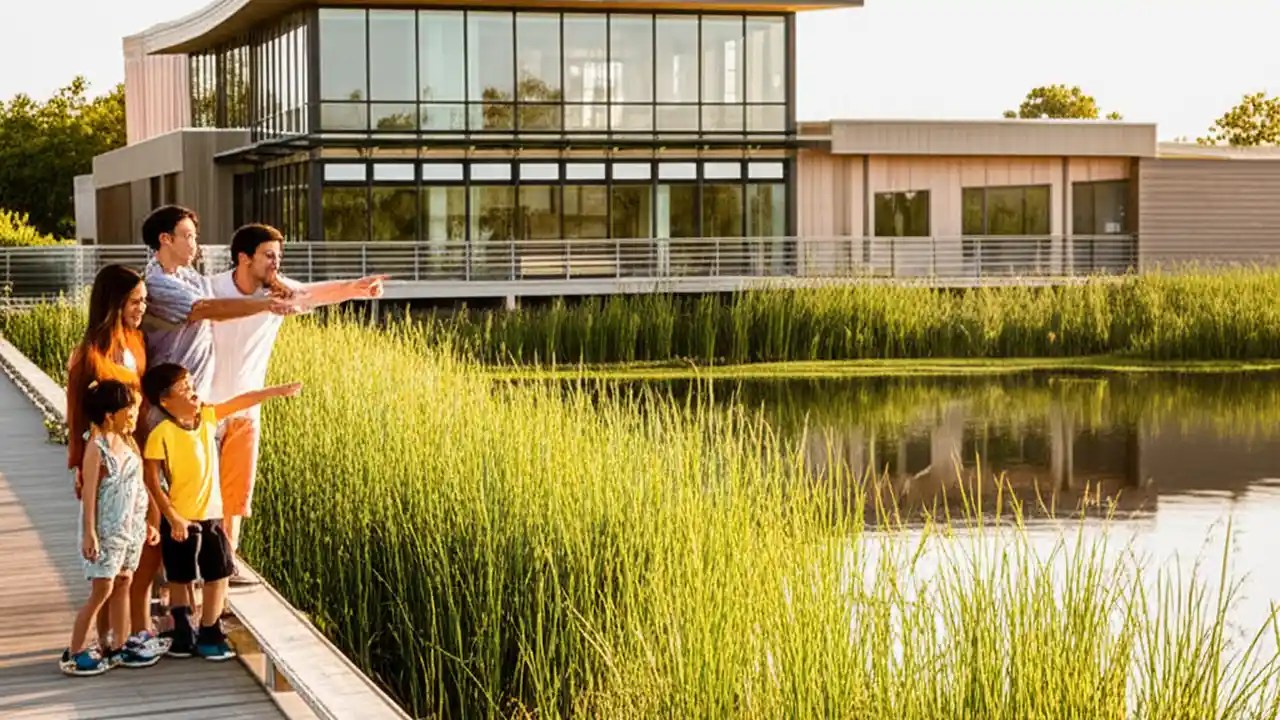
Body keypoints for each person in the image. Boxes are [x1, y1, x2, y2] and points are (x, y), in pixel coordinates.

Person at [136, 205, 295, 642]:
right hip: (168, 410)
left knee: (193, 504)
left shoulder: (188, 274)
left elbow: (226, 287)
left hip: (193, 411)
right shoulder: (159, 283)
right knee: (168, 509)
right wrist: (262, 303)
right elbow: (207, 308)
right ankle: (169, 613)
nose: (196, 243)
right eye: (187, 235)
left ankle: (180, 606)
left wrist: (273, 285)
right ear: (165, 240)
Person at [209, 223, 385, 584]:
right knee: (202, 491)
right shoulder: (214, 288)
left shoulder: (281, 292)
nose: (275, 263)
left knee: (236, 493)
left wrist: (354, 288)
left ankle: (228, 560)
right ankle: (195, 564)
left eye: (278, 256)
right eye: (268, 256)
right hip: (207, 407)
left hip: (247, 408)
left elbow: (316, 293)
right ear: (244, 258)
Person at [140, 363, 302, 659]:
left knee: (219, 572)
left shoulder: (209, 419)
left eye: (191, 385)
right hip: (180, 517)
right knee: (180, 576)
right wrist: (171, 515)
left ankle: (209, 630)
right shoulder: (161, 433)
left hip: (211, 514)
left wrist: (275, 392)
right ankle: (182, 632)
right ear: (165, 401)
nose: (192, 392)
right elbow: (151, 478)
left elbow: (242, 400)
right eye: (184, 389)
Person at [63, 264, 169, 654]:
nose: (142, 307)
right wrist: (79, 464)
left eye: (144, 300)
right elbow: (76, 413)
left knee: (141, 542)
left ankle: (131, 632)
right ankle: (107, 639)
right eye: (135, 301)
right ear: (114, 303)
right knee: (110, 553)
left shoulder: (138, 341)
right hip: (107, 457)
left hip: (140, 450)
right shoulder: (89, 354)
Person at [61, 380, 162, 676]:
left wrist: (149, 521)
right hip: (106, 531)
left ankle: (119, 644)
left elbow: (139, 486)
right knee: (101, 590)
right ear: (109, 415)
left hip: (130, 530)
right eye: (128, 410)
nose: (134, 414)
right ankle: (75, 650)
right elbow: (90, 495)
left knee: (123, 584)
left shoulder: (128, 443)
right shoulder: (97, 447)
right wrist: (90, 532)